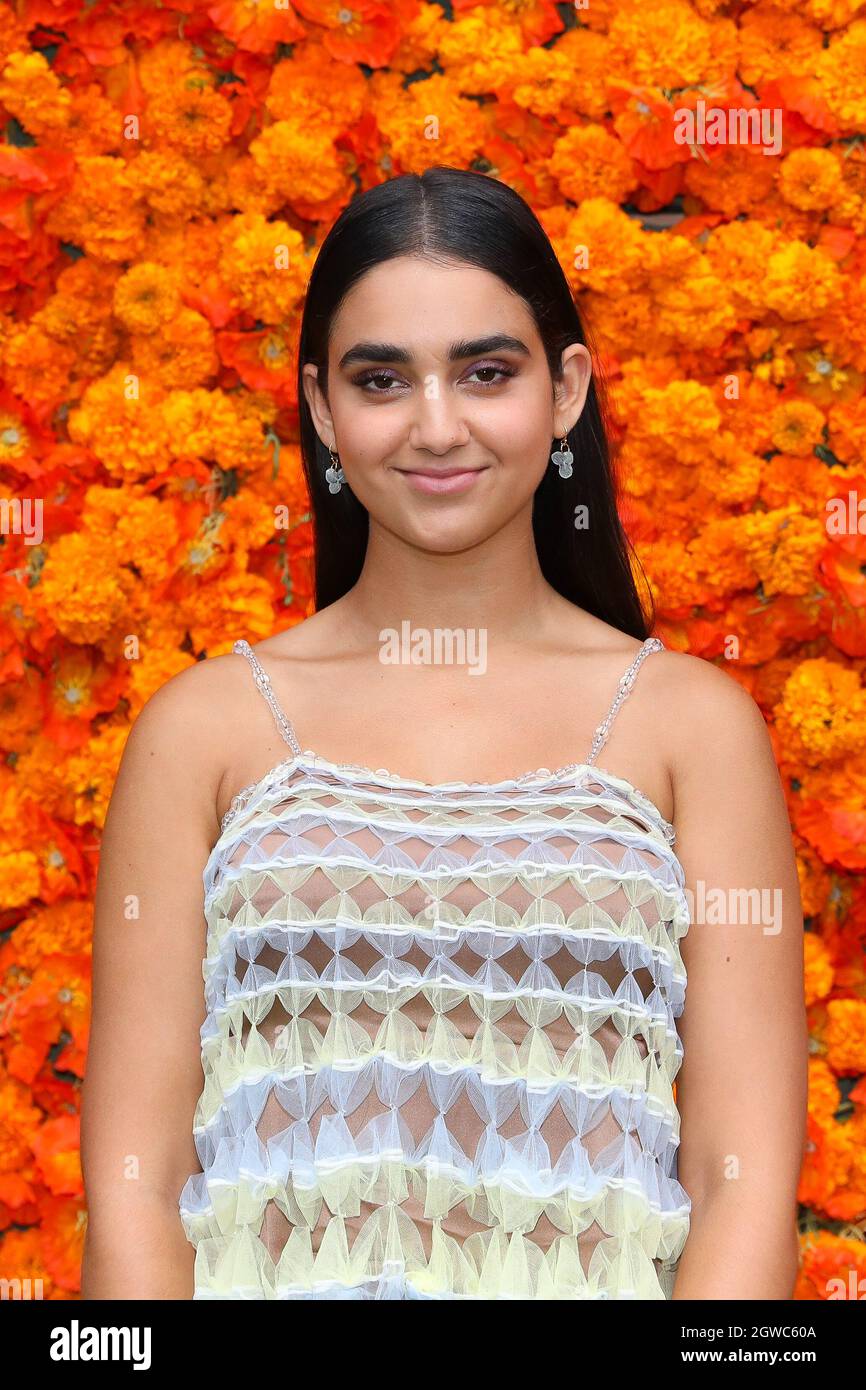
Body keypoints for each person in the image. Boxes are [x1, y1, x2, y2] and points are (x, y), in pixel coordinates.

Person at [81, 166, 808, 1300]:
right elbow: (137, 1183)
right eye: (382, 378)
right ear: (321, 407)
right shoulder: (205, 732)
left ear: (565, 389)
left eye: (484, 371)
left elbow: (740, 1183)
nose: (436, 425)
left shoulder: (687, 730)